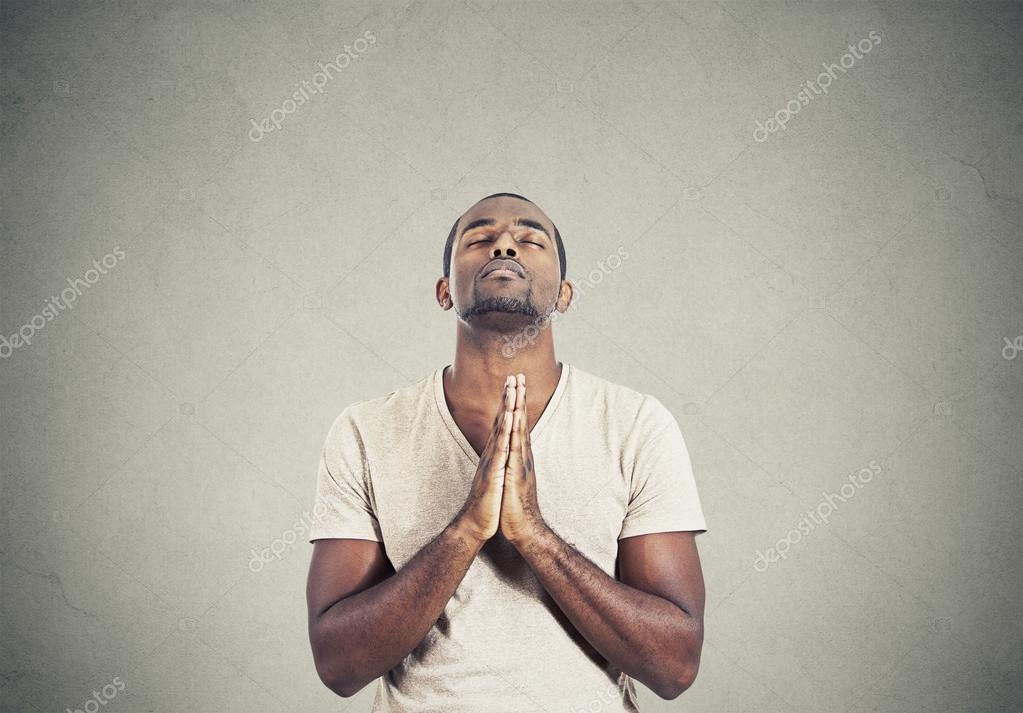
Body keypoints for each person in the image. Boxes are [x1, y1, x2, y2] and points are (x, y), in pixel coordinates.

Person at [306, 192, 707, 712]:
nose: (505, 247)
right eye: (480, 238)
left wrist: (534, 536)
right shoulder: (365, 430)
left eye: (529, 239)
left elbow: (674, 667)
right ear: (444, 291)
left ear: (564, 295)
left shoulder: (636, 425)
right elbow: (339, 666)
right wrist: (468, 528)